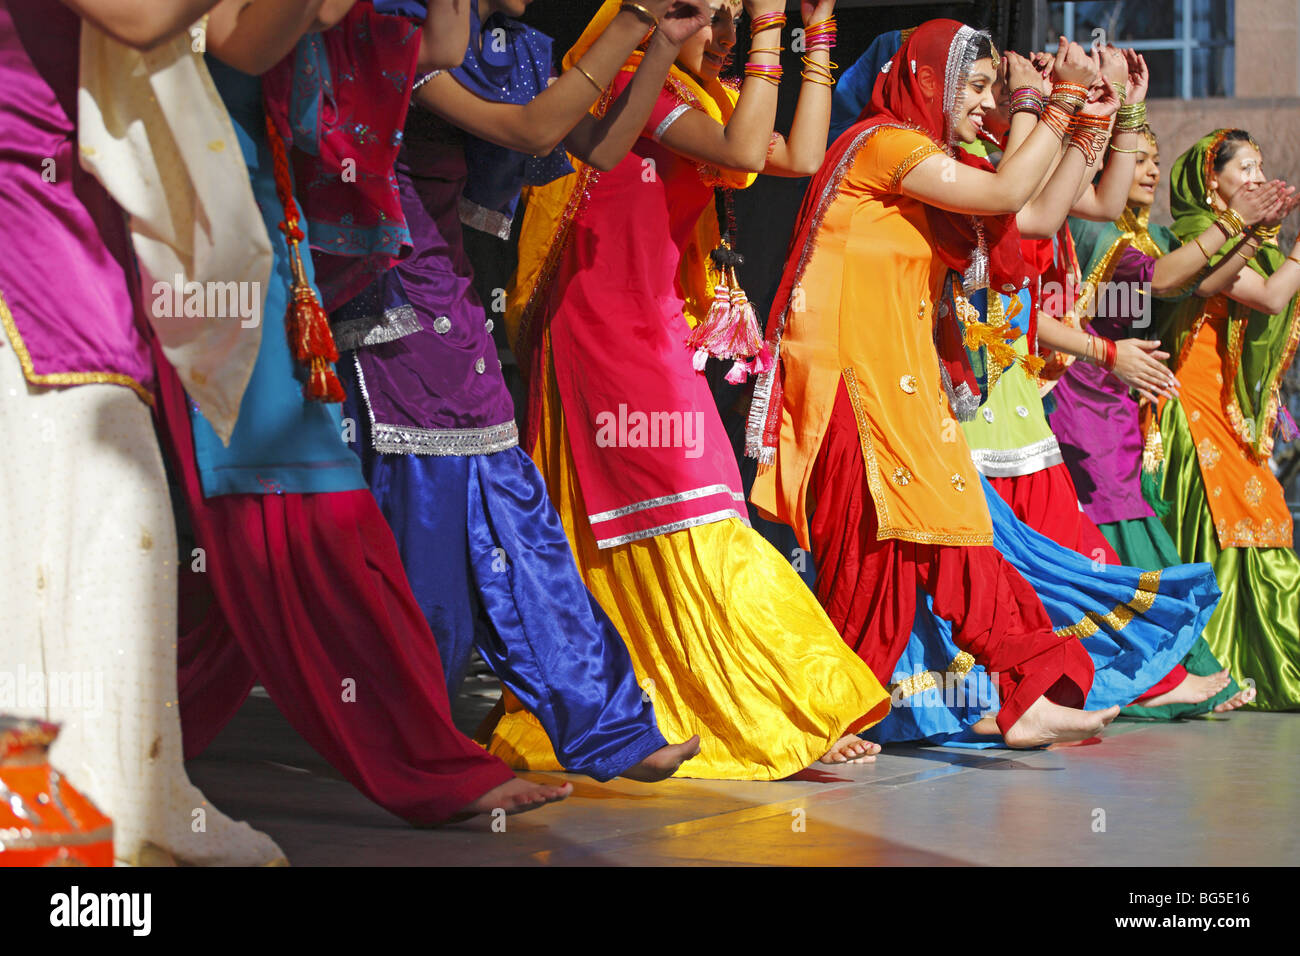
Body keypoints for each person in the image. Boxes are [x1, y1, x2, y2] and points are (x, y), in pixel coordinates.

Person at [148, 0, 571, 825]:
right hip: (132, 202)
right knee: (170, 497)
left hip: (241, 210)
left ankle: (415, 750)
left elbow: (431, 44)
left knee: (290, 502)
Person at [492, 0, 892, 779]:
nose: (728, 34)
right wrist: (773, 30)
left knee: (698, 510)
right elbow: (747, 148)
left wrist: (812, 32)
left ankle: (722, 703)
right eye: (716, 16)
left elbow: (802, 152)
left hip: (651, 328)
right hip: (605, 330)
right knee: (688, 511)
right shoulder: (643, 90)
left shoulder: (696, 97)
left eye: (737, 18)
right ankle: (765, 704)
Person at [323, 0, 711, 782]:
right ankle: (413, 738)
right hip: (391, 286)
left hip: (450, 290)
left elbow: (594, 145)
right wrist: (631, 20)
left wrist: (660, 42)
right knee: (425, 525)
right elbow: (531, 131)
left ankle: (608, 730)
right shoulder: (397, 35)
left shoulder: (513, 50)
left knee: (516, 514)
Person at [750, 20, 1122, 748]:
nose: (983, 102)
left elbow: (1035, 214)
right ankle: (825, 712)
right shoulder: (884, 145)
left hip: (907, 388)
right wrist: (1052, 99)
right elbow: (1012, 185)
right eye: (974, 86)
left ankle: (1028, 688)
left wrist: (1088, 117)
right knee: (871, 552)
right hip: (849, 384)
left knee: (956, 534)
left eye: (990, 87)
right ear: (927, 79)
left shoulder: (937, 167)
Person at [0, 0, 284, 865]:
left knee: (113, 511)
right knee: (64, 493)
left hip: (83, 196)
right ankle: (38, 809)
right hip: (15, 195)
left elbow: (243, 36)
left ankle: (99, 796)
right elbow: (140, 12)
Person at [1054, 125, 1289, 716]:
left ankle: (1171, 672)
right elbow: (1167, 283)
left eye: (1154, 160)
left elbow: (1177, 289)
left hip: (1125, 406)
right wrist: (1238, 225)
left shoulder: (1149, 237)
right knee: (1123, 542)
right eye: (1135, 158)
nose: (1149, 171)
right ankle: (1151, 678)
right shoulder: (1096, 231)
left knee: (1141, 538)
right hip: (1093, 404)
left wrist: (1249, 229)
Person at [1154, 129, 1300, 711]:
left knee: (1257, 516)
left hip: (1231, 406)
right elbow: (1266, 297)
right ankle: (1213, 666)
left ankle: (1253, 665)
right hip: (1194, 399)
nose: (1258, 177)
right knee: (1224, 523)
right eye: (1245, 168)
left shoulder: (1254, 239)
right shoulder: (1195, 235)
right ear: (1211, 180)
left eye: (1262, 167)